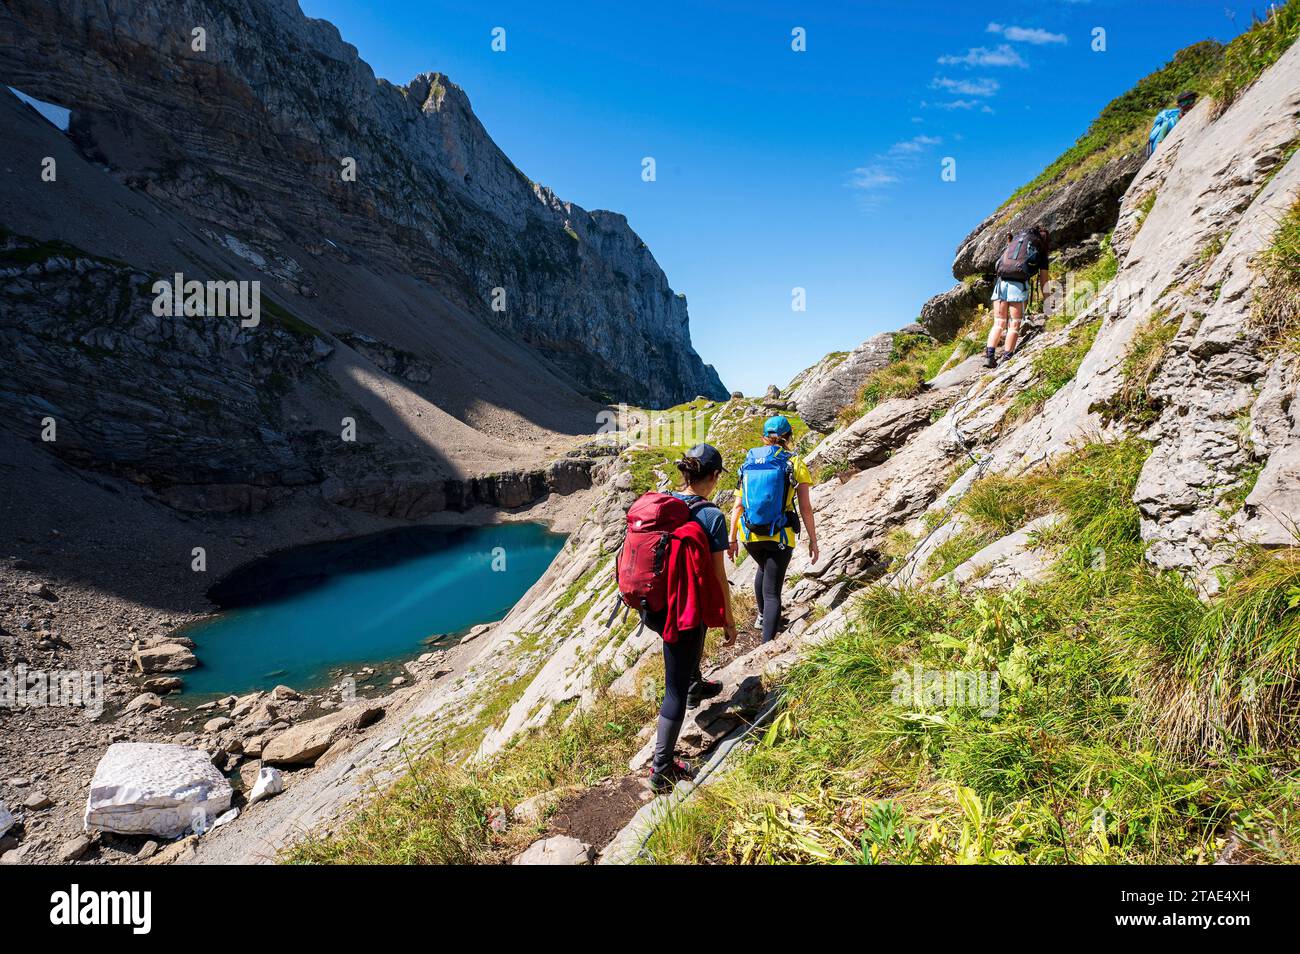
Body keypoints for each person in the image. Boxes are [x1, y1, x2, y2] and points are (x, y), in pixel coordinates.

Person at [648, 443, 737, 794]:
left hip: (652, 605)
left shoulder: (662, 503)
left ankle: (695, 683)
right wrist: (728, 619)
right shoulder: (711, 516)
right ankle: (661, 768)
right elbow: (717, 575)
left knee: (686, 657)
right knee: (673, 689)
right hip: (682, 609)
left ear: (684, 473)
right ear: (713, 476)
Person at [728, 415, 819, 643]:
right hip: (779, 534)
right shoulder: (793, 462)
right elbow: (805, 507)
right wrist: (813, 539)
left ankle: (762, 617)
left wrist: (732, 539)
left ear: (764, 437)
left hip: (749, 534)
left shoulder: (749, 462)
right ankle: (766, 646)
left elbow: (738, 505)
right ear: (789, 436)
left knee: (763, 568)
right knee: (772, 593)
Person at [985, 225, 1051, 369]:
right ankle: (1007, 358)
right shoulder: (1041, 252)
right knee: (1014, 323)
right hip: (1018, 286)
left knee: (999, 322)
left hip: (1001, 284)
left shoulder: (1016, 242)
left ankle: (989, 357)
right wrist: (1048, 306)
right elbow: (1044, 283)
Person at [1146, 91, 1197, 159]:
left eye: (1191, 100)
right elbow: (1159, 143)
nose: (1189, 105)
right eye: (1185, 103)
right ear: (1178, 106)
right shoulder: (1171, 123)